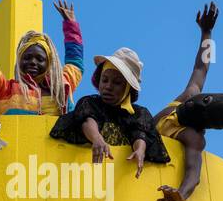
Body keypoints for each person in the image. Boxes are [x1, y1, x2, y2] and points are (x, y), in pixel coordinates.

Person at [152, 2, 223, 201]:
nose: (198, 104)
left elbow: (193, 173)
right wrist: (207, 33)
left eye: (204, 110)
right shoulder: (188, 95)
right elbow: (201, 67)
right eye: (206, 100)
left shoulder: (193, 137)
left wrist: (181, 194)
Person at [48, 46, 171, 176]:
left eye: (117, 82)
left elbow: (140, 133)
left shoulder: (140, 114)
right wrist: (97, 138)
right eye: (104, 80)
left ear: (128, 88)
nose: (108, 86)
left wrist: (140, 150)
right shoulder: (90, 102)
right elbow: (87, 120)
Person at [0, 0, 83, 115]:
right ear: (19, 61)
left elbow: (75, 63)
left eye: (40, 59)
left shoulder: (61, 87)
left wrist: (71, 25)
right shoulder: (6, 90)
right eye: (27, 57)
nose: (33, 62)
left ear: (48, 63)